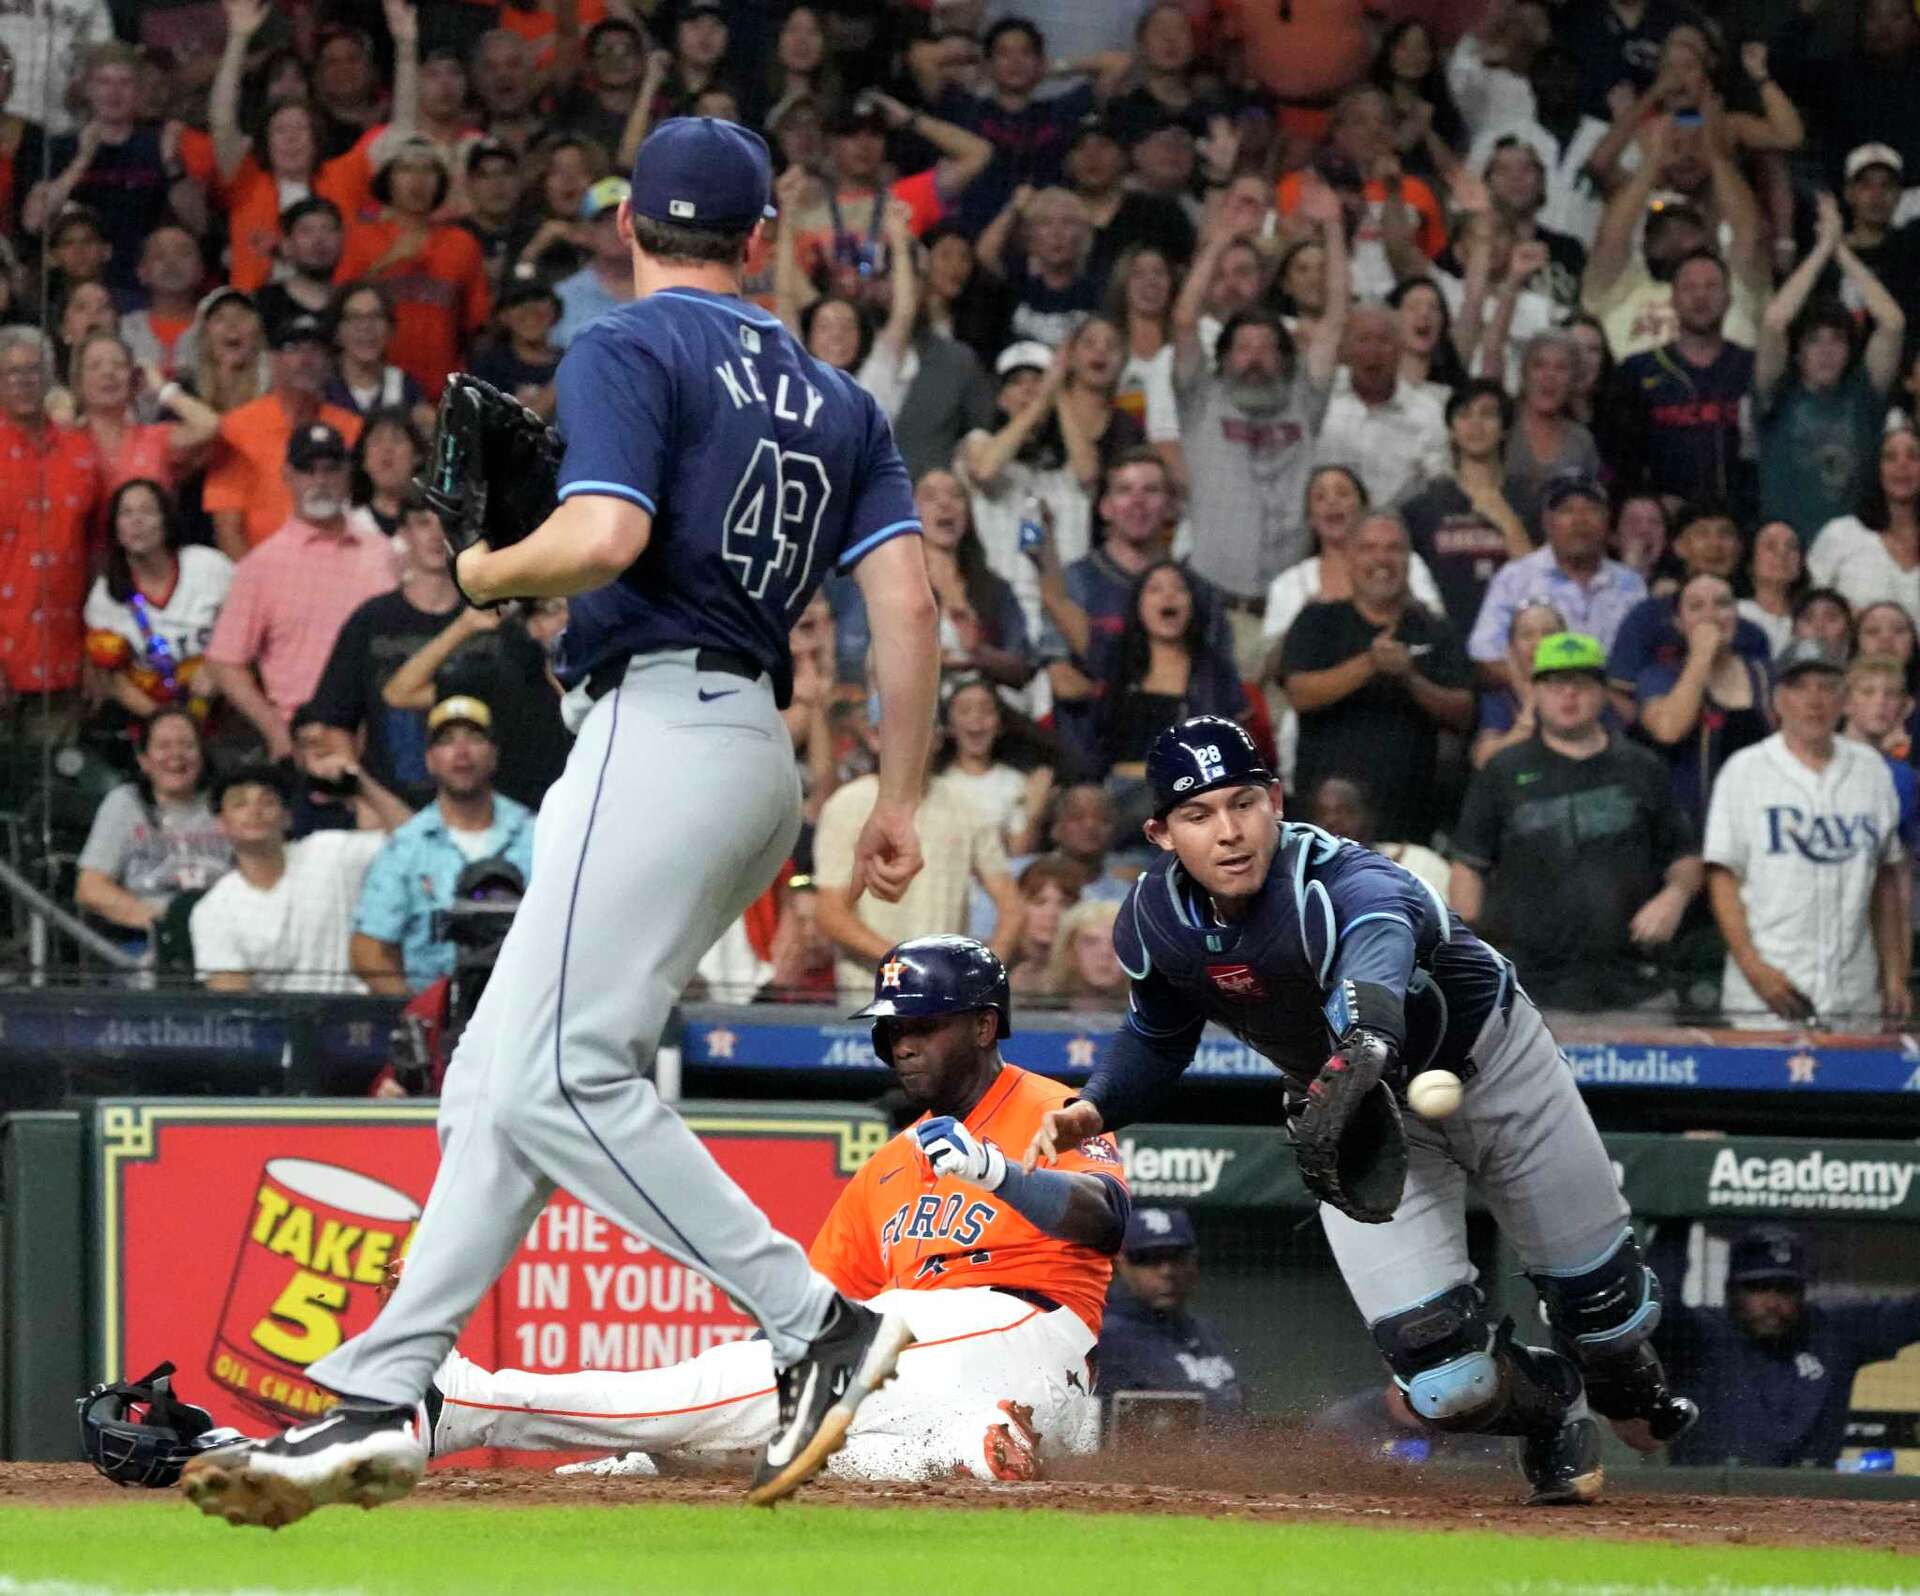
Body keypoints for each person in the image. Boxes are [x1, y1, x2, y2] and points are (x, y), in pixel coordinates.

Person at [184, 118, 943, 1527]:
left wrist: (478, 569)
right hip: (751, 754)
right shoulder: (841, 397)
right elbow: (907, 605)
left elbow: (599, 540)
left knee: (555, 1074)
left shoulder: (623, 343)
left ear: (630, 233)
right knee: (493, 1073)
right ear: (763, 241)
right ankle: (389, 1389)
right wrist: (893, 797)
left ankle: (815, 1325)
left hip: (657, 729)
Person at [1026, 715, 1698, 1505]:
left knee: (1610, 1321)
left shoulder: (1347, 881)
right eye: (1199, 815)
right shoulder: (1153, 919)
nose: (1230, 832)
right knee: (1445, 1382)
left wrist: (1361, 1042)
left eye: (1243, 803)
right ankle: (1551, 1403)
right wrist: (1096, 1106)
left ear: (1275, 800)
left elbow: (1373, 975)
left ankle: (1624, 1380)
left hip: (1494, 1072)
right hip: (1357, 1112)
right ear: (1161, 832)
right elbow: (1156, 1034)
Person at [420, 938, 1127, 1482]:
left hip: (1031, 1337)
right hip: (949, 1383)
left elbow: (1105, 1217)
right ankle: (961, 1453)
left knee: (785, 1387)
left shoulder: (1052, 1109)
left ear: (983, 1025)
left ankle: (478, 1403)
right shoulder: (889, 1165)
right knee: (780, 1413)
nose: (901, 1043)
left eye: (923, 1024)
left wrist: (999, 1174)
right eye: (889, 1030)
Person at [1451, 631, 1702, 1011]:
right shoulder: (1503, 770)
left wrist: (1674, 897)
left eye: (1581, 683)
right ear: (1534, 693)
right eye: (1555, 683)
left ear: (1603, 692)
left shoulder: (1643, 767)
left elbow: (1685, 856)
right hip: (1528, 992)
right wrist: (1468, 956)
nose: (1569, 694)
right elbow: (1468, 866)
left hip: (1635, 985)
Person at [1175, 196, 1350, 673]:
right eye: (1243, 347)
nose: (1254, 357)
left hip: (1285, 610)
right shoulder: (1201, 398)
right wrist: (1222, 240)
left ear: (1285, 358)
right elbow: (1185, 320)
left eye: (1266, 348)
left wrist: (1333, 229)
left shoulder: (1303, 400)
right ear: (1224, 357)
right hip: (1210, 604)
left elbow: (1336, 318)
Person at [1704, 639, 1910, 1030]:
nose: (1814, 699)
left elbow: (1884, 879)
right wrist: (1754, 968)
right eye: (1799, 687)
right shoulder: (1744, 770)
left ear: (1844, 699)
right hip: (1764, 997)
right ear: (1777, 700)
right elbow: (1721, 876)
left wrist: (1894, 974)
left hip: (1855, 994)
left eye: (1827, 686)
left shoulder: (1872, 770)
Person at [1650, 1223, 1920, 1469]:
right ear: (1731, 1290)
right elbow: (1656, 1306)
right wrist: (1674, 1224)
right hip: (1710, 1503)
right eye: (1758, 1288)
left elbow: (1912, 1315)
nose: (1772, 1302)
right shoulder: (1698, 1334)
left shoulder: (1832, 1331)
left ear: (1802, 1293)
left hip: (1811, 1506)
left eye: (1785, 1289)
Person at [203, 423, 397, 760]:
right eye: (308, 470)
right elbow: (225, 660)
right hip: (306, 740)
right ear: (288, 476)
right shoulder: (261, 566)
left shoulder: (385, 553)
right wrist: (274, 729)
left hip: (383, 734)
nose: (320, 481)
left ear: (348, 474)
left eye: (330, 469)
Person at [1280, 512, 1474, 846]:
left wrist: (1410, 677)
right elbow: (1299, 693)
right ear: (1350, 558)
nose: (1382, 559)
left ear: (1409, 560)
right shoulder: (1317, 621)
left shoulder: (1435, 628)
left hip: (1410, 826)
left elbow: (1464, 712)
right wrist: (1369, 664)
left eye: (1394, 548)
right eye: (1369, 548)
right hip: (1324, 826)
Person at [350, 696, 535, 994]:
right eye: (447, 741)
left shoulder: (538, 835)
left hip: (525, 1010)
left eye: (474, 738)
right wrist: (421, 1017)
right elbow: (368, 950)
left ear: (494, 755)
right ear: (429, 760)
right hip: (435, 1019)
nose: (461, 753)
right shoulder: (405, 847)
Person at [814, 746, 1026, 994]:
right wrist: (909, 962)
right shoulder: (847, 804)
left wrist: (982, 973)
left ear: (938, 736)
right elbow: (830, 913)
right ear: (873, 736)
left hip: (946, 990)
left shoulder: (966, 805)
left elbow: (1012, 907)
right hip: (870, 987)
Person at [1756, 194, 1905, 543]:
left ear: (1849, 351)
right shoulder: (1777, 395)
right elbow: (1774, 322)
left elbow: (1893, 322)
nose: (1826, 351)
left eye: (1836, 341)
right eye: (1814, 341)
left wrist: (1840, 250)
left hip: (1856, 552)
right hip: (1787, 551)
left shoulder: (1863, 394)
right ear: (1797, 354)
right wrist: (1822, 249)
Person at [188, 760, 409, 995]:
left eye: (268, 801)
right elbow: (232, 1003)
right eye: (240, 804)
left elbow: (416, 842)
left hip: (355, 1021)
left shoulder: (329, 851)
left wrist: (362, 785)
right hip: (279, 1028)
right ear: (221, 824)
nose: (255, 811)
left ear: (287, 818)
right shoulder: (213, 909)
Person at [306, 497, 465, 807]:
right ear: (403, 533)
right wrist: (366, 801)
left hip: (485, 809)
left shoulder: (488, 620)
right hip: (391, 804)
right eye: (423, 523)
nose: (436, 535)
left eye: (447, 523)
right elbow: (336, 722)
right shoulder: (370, 620)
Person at [0, 326, 99, 731]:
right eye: (9, 373)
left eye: (32, 371)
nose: (22, 382)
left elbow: (99, 560)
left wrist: (98, 654)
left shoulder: (81, 450)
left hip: (64, 664)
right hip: (6, 655)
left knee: (57, 789)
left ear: (50, 378)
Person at [202, 312, 363, 558]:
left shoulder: (353, 428)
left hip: (339, 567)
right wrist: (260, 580)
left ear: (329, 362)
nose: (306, 359)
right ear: (272, 359)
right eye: (293, 348)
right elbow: (227, 528)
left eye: (315, 349)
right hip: (261, 569)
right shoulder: (237, 427)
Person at [83, 480, 233, 728]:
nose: (136, 521)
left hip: (227, 717)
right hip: (150, 725)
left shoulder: (209, 565)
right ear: (115, 528)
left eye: (147, 511)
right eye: (126, 513)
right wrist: (167, 722)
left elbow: (249, 628)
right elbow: (114, 680)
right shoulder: (105, 595)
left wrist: (218, 668)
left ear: (166, 520)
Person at [1469, 474, 1648, 680]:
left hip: (1613, 704)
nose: (1579, 521)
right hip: (1534, 702)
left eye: (1591, 510)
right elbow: (1486, 656)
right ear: (1547, 522)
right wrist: (1540, 696)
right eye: (1566, 511)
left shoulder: (1630, 584)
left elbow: (1644, 658)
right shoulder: (1515, 578)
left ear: (1607, 520)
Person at [74, 707, 230, 937]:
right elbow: (90, 888)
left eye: (187, 745)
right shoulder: (125, 802)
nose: (176, 755)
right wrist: (166, 926)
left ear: (202, 756)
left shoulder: (230, 800)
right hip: (147, 935)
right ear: (144, 760)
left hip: (225, 933)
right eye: (163, 746)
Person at [1395, 380, 1532, 641]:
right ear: (1451, 430)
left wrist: (1510, 525)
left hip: (1515, 642)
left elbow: (1541, 583)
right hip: (1444, 643)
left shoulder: (1530, 500)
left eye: (1488, 414)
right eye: (1464, 414)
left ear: (1505, 429)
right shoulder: (1422, 508)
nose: (1475, 424)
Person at [1618, 250, 1754, 511]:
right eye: (1689, 287)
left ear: (1728, 299)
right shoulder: (1638, 370)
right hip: (1665, 522)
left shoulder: (1749, 366)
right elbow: (1624, 460)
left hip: (1739, 520)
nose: (1701, 296)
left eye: (1711, 287)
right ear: (1673, 300)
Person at [1634, 573, 1774, 825]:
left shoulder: (1767, 673)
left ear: (1736, 616)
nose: (1710, 615)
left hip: (1765, 817)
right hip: (1695, 827)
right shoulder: (1658, 675)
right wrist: (1700, 656)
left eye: (1722, 604)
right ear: (1679, 622)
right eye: (1696, 607)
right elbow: (1668, 730)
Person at [1097, 1206, 1245, 1416]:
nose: (1167, 1271)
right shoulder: (1104, 1340)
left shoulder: (1205, 1331)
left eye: (1177, 1256)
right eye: (1148, 1258)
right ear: (1121, 1264)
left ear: (1194, 1262)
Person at [1315, 302, 1449, 511]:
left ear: (1400, 350)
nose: (1373, 351)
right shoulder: (1321, 403)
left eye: (1384, 341)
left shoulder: (1426, 412)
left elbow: (1439, 483)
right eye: (1363, 340)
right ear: (1344, 349)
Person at [1807, 421, 1920, 625]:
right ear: (1876, 469)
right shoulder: (1840, 534)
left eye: (1914, 457)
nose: (1902, 465)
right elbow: (1811, 610)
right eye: (1890, 457)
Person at [1502, 329, 1600, 539]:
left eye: (1561, 368)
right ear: (1524, 373)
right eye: (1539, 366)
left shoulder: (1582, 442)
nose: (1549, 376)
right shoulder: (1502, 429)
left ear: (1574, 380)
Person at [1305, 774, 1450, 904]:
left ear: (1368, 815)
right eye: (1321, 813)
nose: (1331, 820)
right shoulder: (1306, 881)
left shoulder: (1422, 863)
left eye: (1343, 810)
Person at [1471, 599, 1565, 768]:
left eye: (1549, 634)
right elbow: (1482, 761)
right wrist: (1530, 705)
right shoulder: (1499, 697)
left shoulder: (1584, 690)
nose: (1539, 643)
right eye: (1527, 635)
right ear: (1511, 648)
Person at [554, 176, 638, 348]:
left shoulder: (664, 290)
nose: (617, 228)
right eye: (605, 221)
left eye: (626, 219)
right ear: (586, 230)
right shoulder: (564, 297)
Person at [1008, 854, 1084, 994]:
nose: (1052, 914)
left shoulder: (1085, 969)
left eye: (1064, 904)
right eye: (1039, 902)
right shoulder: (999, 960)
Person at [1737, 520, 1803, 661]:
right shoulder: (1735, 613)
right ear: (1750, 560)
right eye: (1770, 546)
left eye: (1792, 547)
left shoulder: (1810, 619)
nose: (1782, 553)